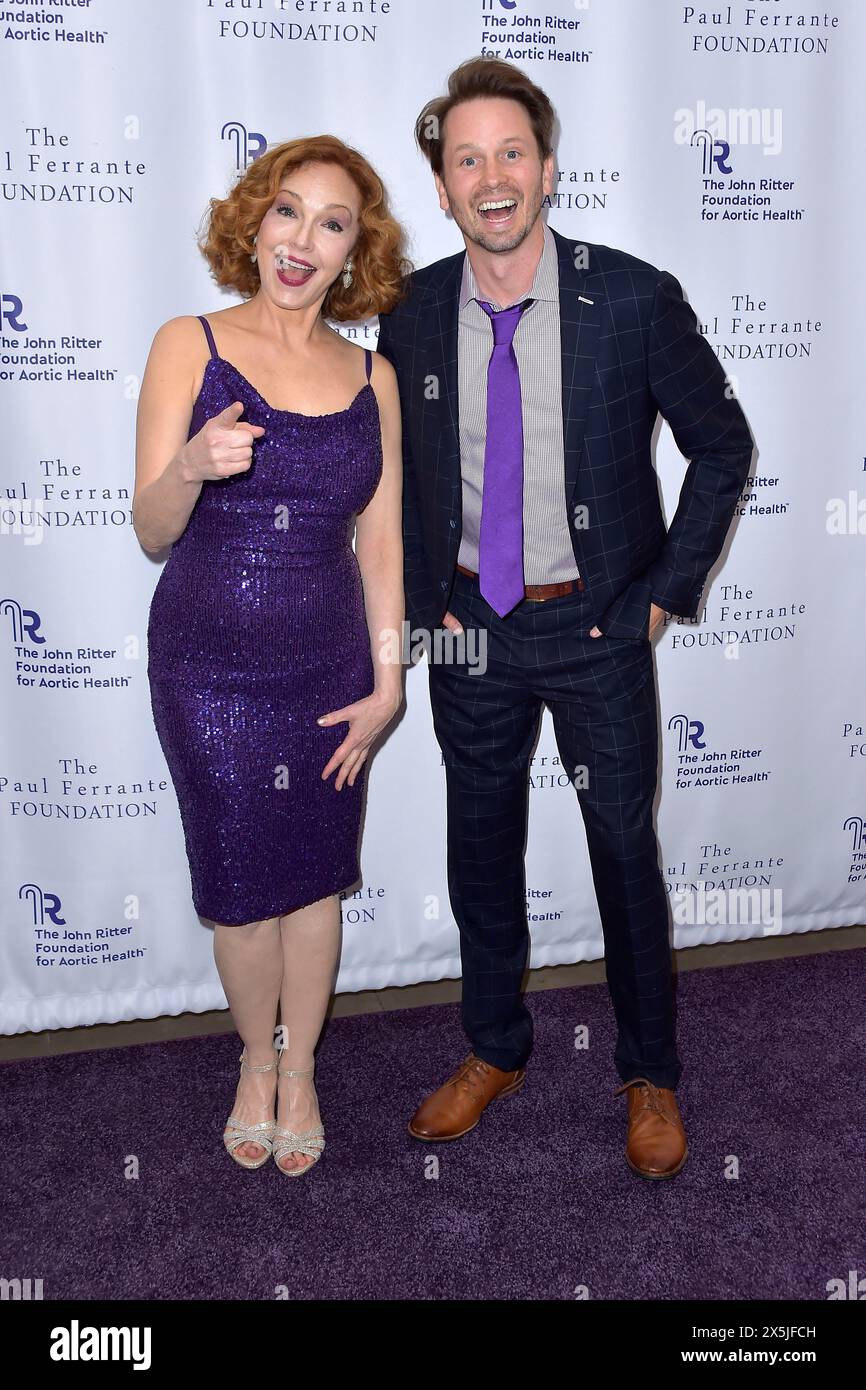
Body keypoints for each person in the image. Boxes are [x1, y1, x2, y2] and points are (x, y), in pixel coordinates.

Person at [375, 57, 754, 1178]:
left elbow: (721, 447)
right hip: (466, 629)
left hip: (596, 629)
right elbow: (390, 474)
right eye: (463, 161)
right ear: (439, 189)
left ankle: (649, 1072)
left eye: (509, 154)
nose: (490, 179)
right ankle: (492, 1047)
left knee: (619, 851)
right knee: (477, 850)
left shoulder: (629, 295)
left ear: (546, 169)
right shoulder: (406, 314)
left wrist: (658, 596)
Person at [133, 137, 407, 1175]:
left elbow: (380, 544)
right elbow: (150, 527)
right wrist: (194, 467)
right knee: (241, 885)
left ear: (353, 253)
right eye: (286, 211)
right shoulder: (186, 342)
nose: (301, 240)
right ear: (253, 221)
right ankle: (259, 1059)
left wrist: (386, 681)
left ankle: (302, 1074)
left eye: (330, 223)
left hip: (329, 662)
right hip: (205, 668)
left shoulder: (372, 376)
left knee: (315, 884)